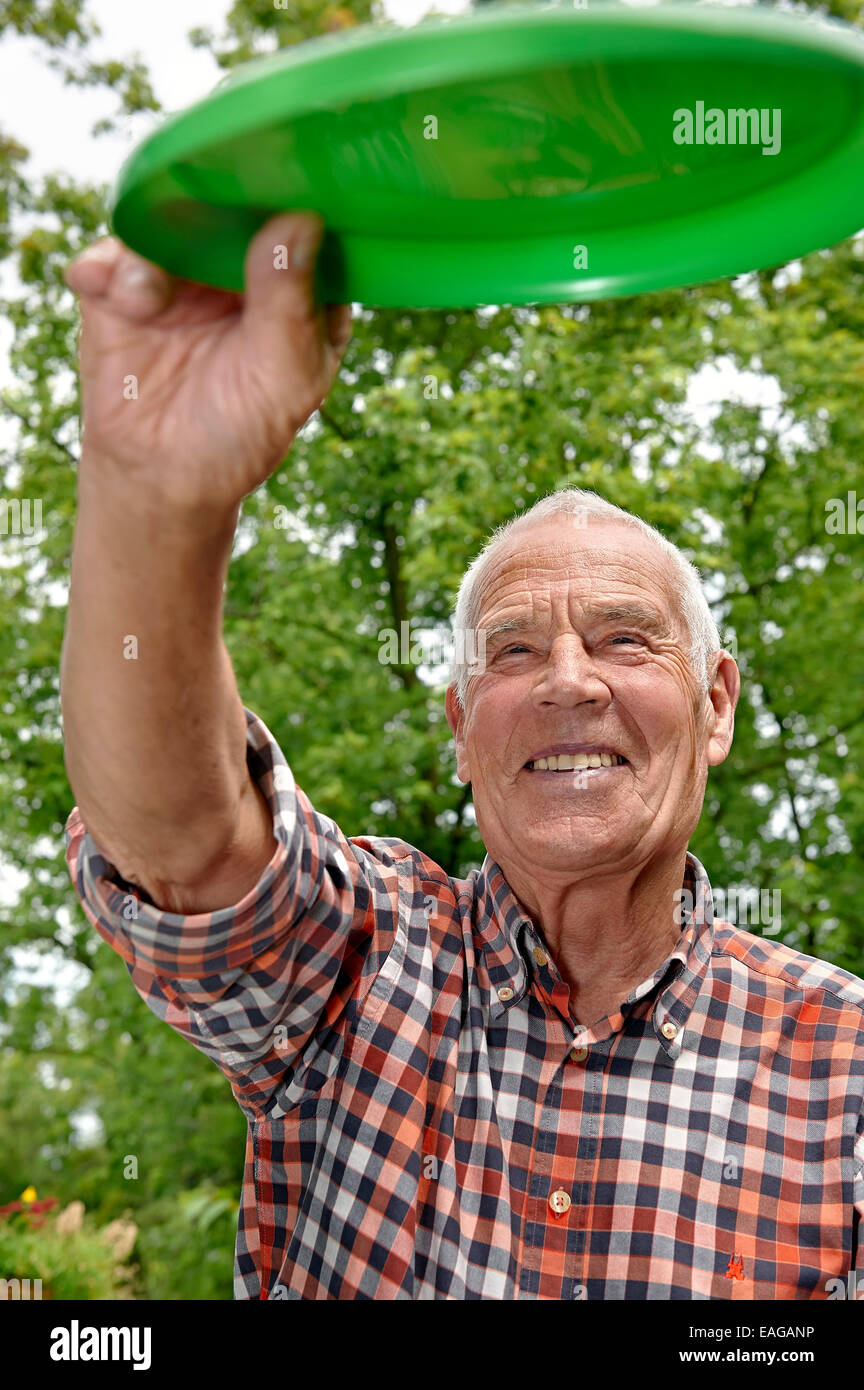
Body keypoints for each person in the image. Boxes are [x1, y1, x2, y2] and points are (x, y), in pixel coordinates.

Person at [61, 213, 864, 1301]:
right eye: (514, 651)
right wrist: (155, 493)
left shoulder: (843, 1064)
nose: (568, 681)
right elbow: (184, 840)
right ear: (459, 729)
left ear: (715, 705)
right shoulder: (363, 961)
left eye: (625, 638)